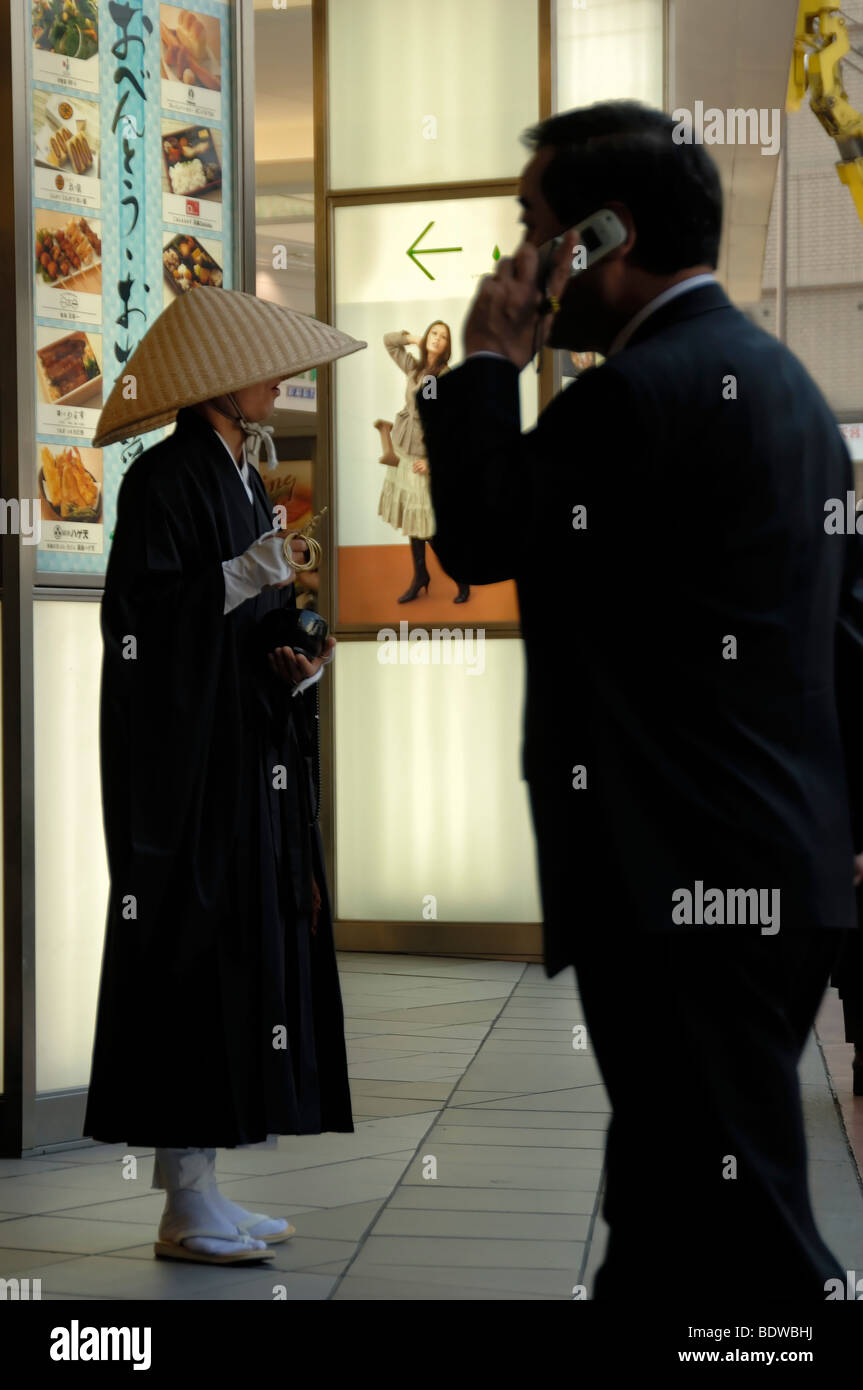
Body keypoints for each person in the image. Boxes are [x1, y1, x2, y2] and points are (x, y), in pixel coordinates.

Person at [417, 100, 863, 1302]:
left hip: (677, 874)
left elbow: (477, 534)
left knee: (748, 1237)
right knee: (674, 1211)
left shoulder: (632, 396)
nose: (515, 261)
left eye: (530, 229)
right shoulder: (786, 390)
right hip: (776, 864)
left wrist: (482, 366)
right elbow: (842, 636)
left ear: (600, 239)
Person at [83, 288, 366, 1265]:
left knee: (239, 959)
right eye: (267, 366)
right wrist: (235, 580)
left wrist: (302, 658)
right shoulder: (163, 479)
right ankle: (182, 1194)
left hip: (246, 753)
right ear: (218, 379)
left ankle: (202, 1185)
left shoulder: (248, 473)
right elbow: (139, 627)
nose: (280, 383)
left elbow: (266, 618)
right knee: (193, 958)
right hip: (191, 772)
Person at [374, 322, 470, 604]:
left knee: (430, 524)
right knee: (414, 519)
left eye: (443, 337)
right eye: (434, 334)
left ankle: (460, 574)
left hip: (427, 454)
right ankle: (421, 576)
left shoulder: (447, 376)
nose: (437, 339)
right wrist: (415, 338)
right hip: (404, 448)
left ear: (448, 346)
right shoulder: (415, 368)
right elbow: (388, 340)